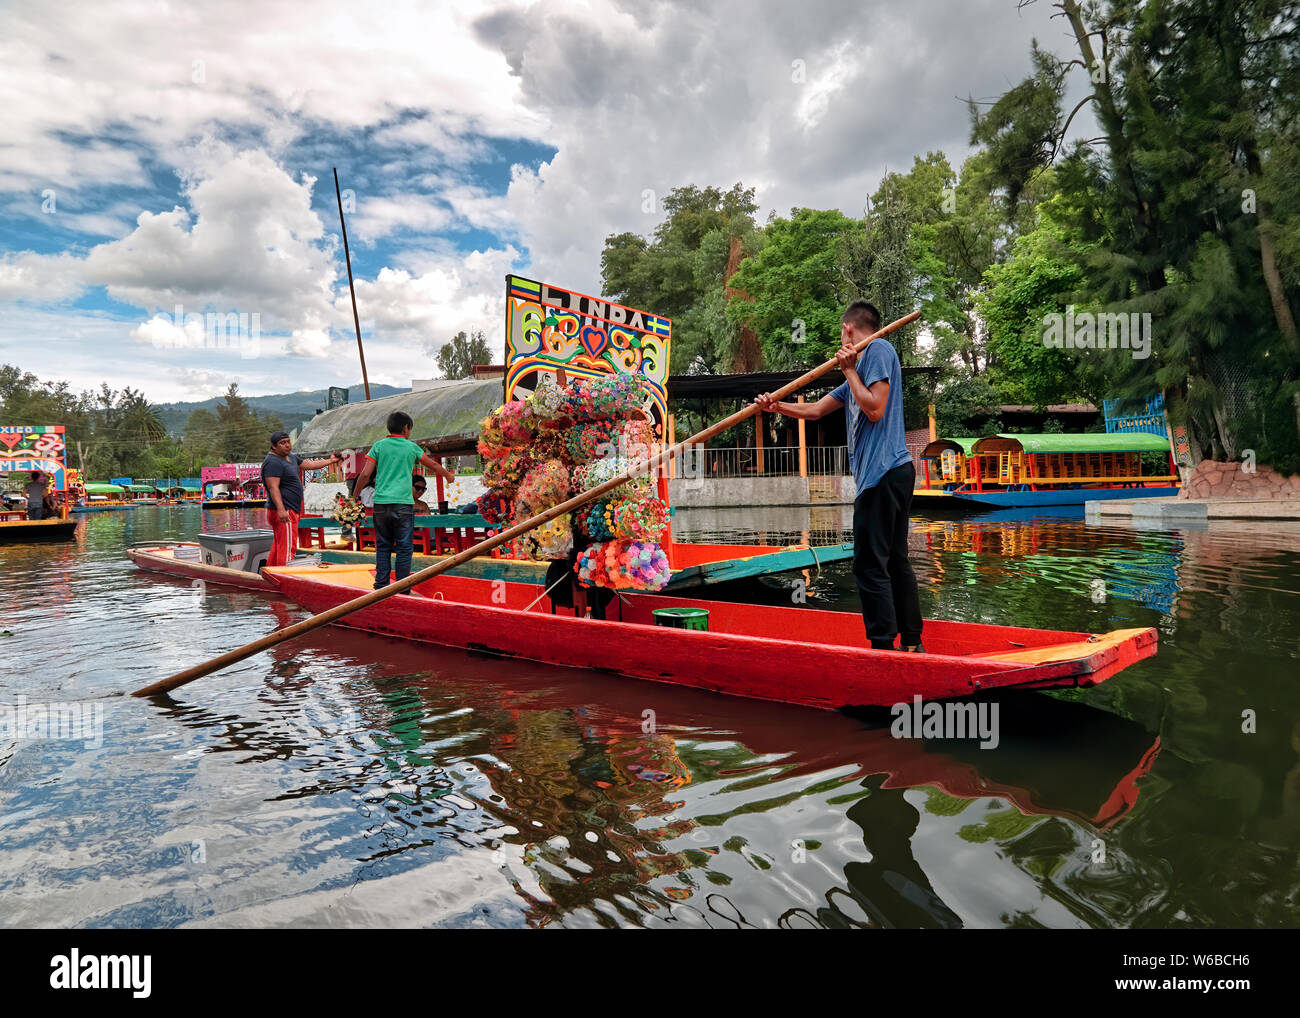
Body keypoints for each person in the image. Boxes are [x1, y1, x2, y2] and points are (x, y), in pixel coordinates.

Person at [756, 300, 923, 652]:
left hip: (883, 473)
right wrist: (776, 406)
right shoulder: (858, 375)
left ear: (848, 329)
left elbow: (875, 409)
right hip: (892, 473)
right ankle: (911, 642)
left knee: (868, 564)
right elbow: (816, 410)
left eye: (839, 330)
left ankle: (882, 646)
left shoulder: (878, 348)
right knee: (894, 559)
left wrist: (848, 370)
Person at [351, 412, 455, 588]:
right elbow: (434, 465)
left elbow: (366, 474)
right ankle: (402, 587)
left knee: (383, 546)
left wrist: (354, 496)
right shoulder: (411, 447)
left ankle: (381, 585)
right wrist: (448, 476)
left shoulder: (378, 446)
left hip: (381, 505)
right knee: (404, 548)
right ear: (406, 428)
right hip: (403, 505)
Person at [261, 431, 342, 567]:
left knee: (280, 545)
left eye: (288, 442)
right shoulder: (272, 462)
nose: (287, 445)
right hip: (284, 510)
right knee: (288, 548)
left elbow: (309, 465)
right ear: (274, 447)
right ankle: (284, 577)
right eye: (282, 443)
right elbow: (273, 487)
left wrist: (331, 460)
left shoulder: (291, 458)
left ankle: (272, 574)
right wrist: (281, 510)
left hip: (291, 509)